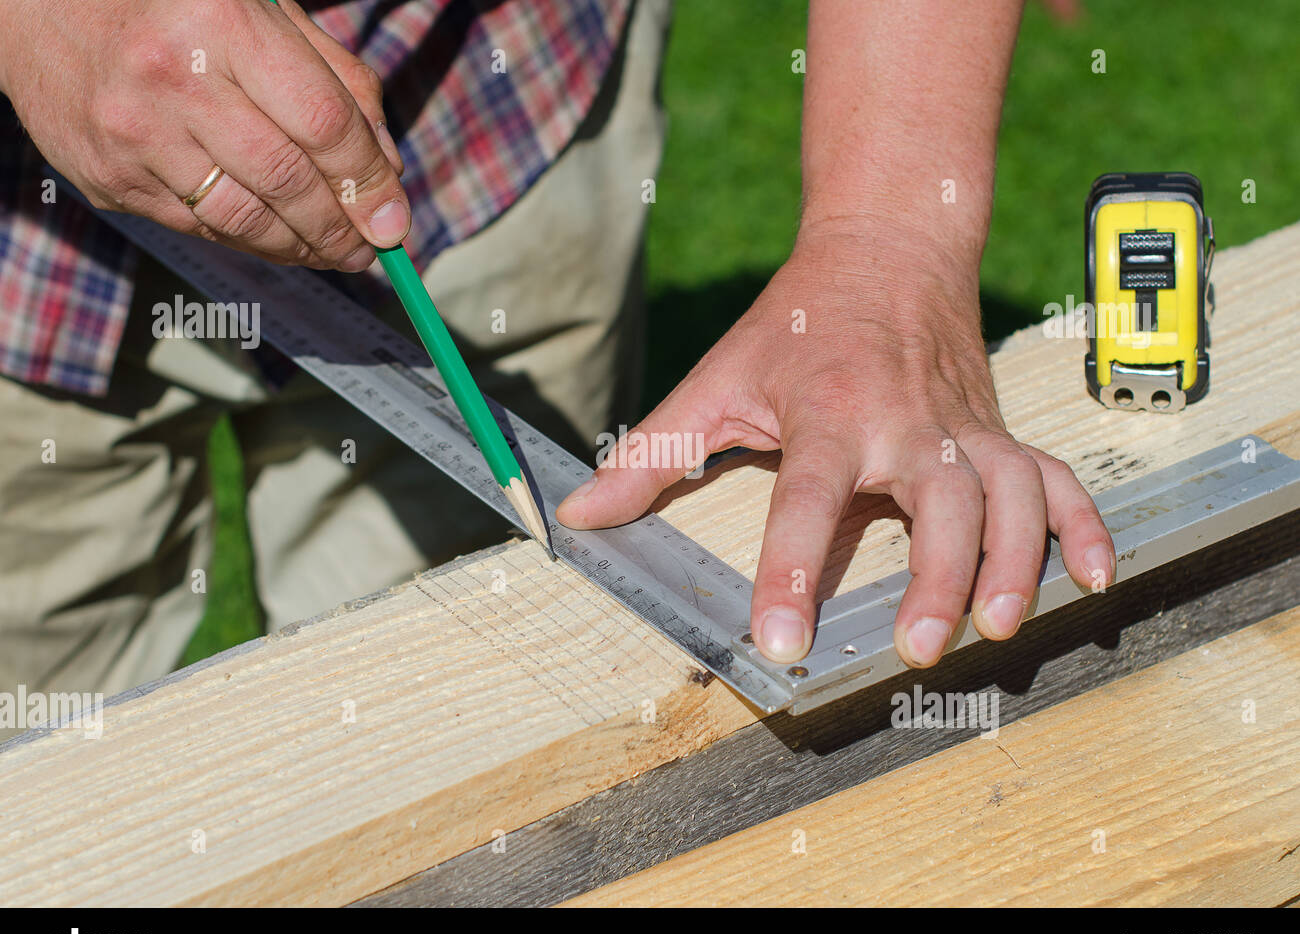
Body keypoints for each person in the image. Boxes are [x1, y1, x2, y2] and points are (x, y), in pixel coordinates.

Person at [0, 0, 1114, 711]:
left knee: (450, 725)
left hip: (480, 98)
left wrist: (887, 243)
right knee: (44, 775)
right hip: (23, 234)